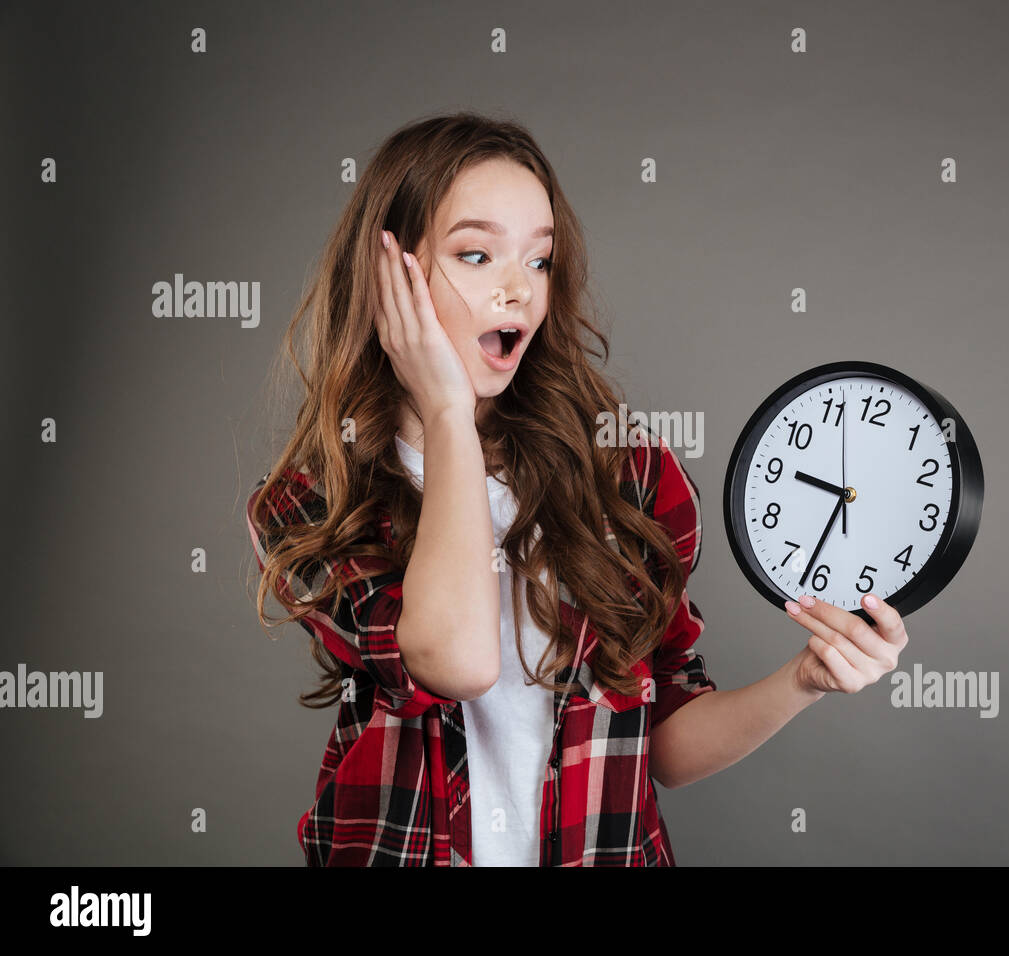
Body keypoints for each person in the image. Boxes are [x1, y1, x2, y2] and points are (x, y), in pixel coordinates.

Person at [246, 111, 911, 866]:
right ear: (387, 276)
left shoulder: (628, 473)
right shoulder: (310, 502)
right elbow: (456, 662)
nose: (517, 291)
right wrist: (445, 412)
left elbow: (665, 742)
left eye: (539, 260)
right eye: (476, 254)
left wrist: (804, 680)